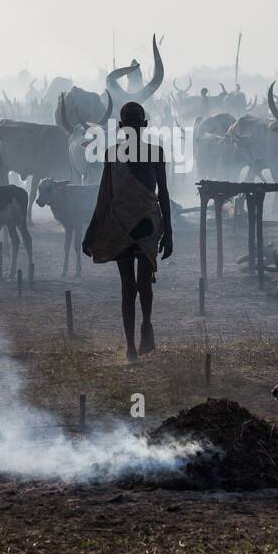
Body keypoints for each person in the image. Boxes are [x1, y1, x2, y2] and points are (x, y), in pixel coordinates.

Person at [82, 101, 173, 361]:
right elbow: (106, 195)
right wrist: (91, 232)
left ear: (137, 126)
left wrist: (169, 232)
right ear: (126, 127)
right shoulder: (117, 155)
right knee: (133, 285)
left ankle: (143, 331)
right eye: (130, 124)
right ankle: (133, 345)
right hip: (125, 226)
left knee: (137, 284)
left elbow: (162, 193)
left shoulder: (152, 153)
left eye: (135, 124)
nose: (133, 128)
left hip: (139, 225)